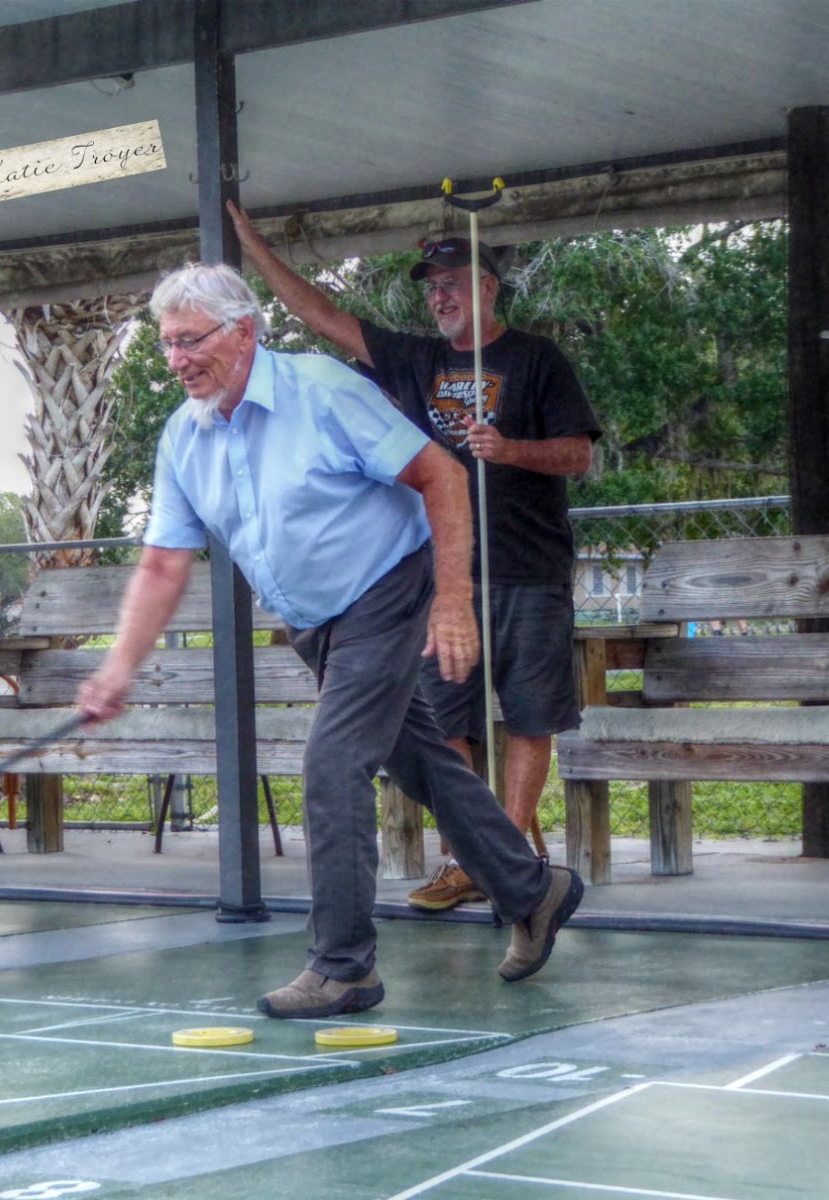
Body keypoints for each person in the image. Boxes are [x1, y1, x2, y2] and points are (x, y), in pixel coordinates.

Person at [77, 262, 583, 1020]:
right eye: (167, 346)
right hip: (317, 623)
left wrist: (452, 600)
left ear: (243, 331)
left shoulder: (321, 392)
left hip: (390, 588)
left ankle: (344, 966)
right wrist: (117, 668)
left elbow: (442, 476)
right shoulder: (184, 437)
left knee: (333, 764)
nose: (177, 360)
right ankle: (534, 888)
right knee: (421, 762)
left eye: (190, 342)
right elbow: (161, 562)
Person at [228, 203, 601, 914]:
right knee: (442, 718)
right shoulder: (418, 358)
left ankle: (508, 860)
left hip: (528, 569)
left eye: (453, 280)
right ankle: (473, 858)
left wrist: (510, 449)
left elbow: (579, 453)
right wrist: (254, 246)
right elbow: (323, 317)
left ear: (488, 286)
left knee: (529, 716)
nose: (440, 294)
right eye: (431, 285)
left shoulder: (536, 360)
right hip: (439, 577)